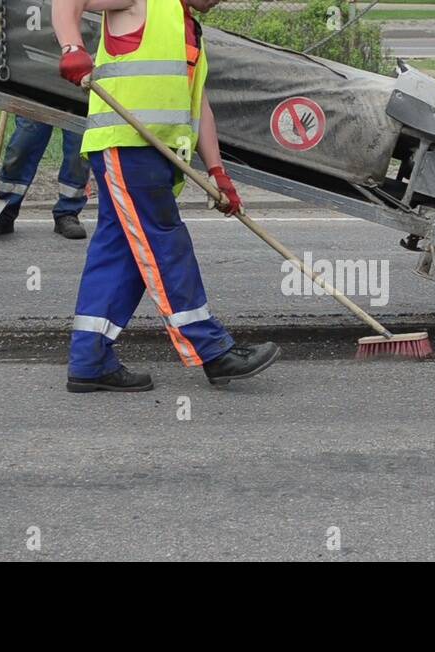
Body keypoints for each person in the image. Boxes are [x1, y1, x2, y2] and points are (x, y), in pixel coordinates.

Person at [54, 0, 280, 393]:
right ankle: (214, 351)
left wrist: (218, 172)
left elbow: (200, 107)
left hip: (154, 159)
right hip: (127, 148)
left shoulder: (188, 29)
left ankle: (89, 361)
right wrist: (72, 47)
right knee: (166, 246)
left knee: (120, 255)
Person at [0, 116, 90, 239]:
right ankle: (5, 212)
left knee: (78, 153)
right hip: (39, 97)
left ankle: (67, 213)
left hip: (79, 100)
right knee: (22, 146)